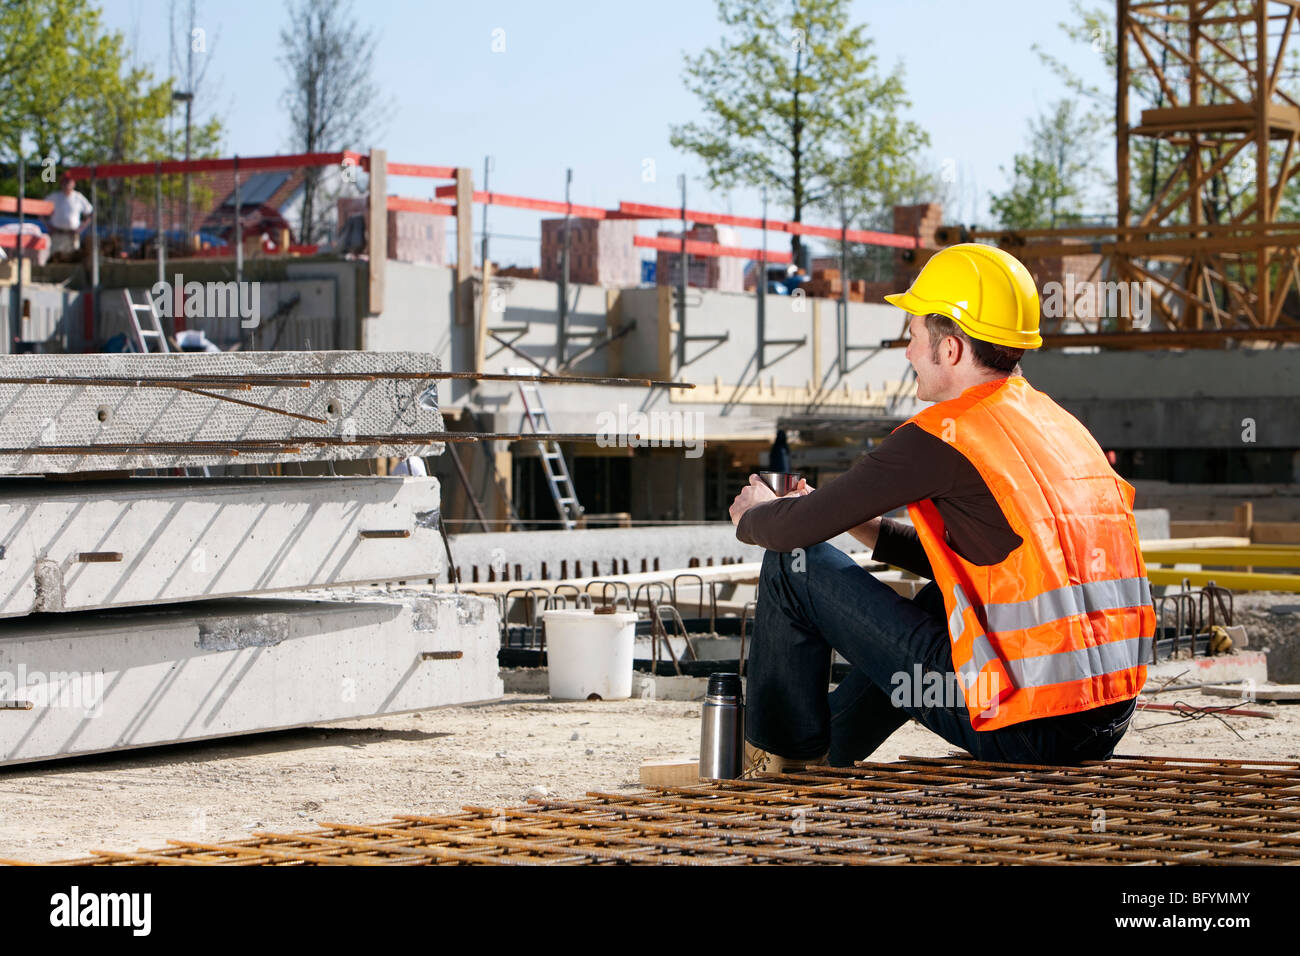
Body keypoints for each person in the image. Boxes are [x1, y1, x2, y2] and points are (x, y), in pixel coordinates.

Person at [729, 243, 1153, 773]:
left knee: (793, 566)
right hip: (1096, 721)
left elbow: (792, 532)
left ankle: (779, 759)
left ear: (949, 350)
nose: (906, 353)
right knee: (945, 599)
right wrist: (863, 525)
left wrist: (753, 516)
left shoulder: (943, 435)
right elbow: (1001, 572)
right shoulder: (1059, 426)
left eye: (912, 337)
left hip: (1025, 727)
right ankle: (832, 749)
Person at [46, 174, 94, 256]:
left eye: (69, 182)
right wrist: (48, 226)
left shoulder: (78, 197)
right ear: (61, 184)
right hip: (57, 234)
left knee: (72, 258)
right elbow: (40, 211)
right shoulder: (54, 197)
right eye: (65, 182)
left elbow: (90, 213)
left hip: (72, 235)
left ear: (74, 183)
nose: (67, 184)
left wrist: (81, 228)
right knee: (55, 258)